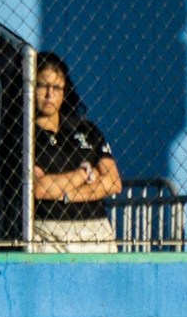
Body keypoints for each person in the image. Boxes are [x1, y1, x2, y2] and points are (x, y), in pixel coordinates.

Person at [31, 51, 121, 252]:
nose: (49, 95)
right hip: (50, 234)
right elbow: (40, 188)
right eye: (43, 86)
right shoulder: (26, 135)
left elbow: (113, 182)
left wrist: (67, 195)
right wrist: (85, 174)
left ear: (64, 91)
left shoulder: (87, 130)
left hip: (96, 233)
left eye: (56, 88)